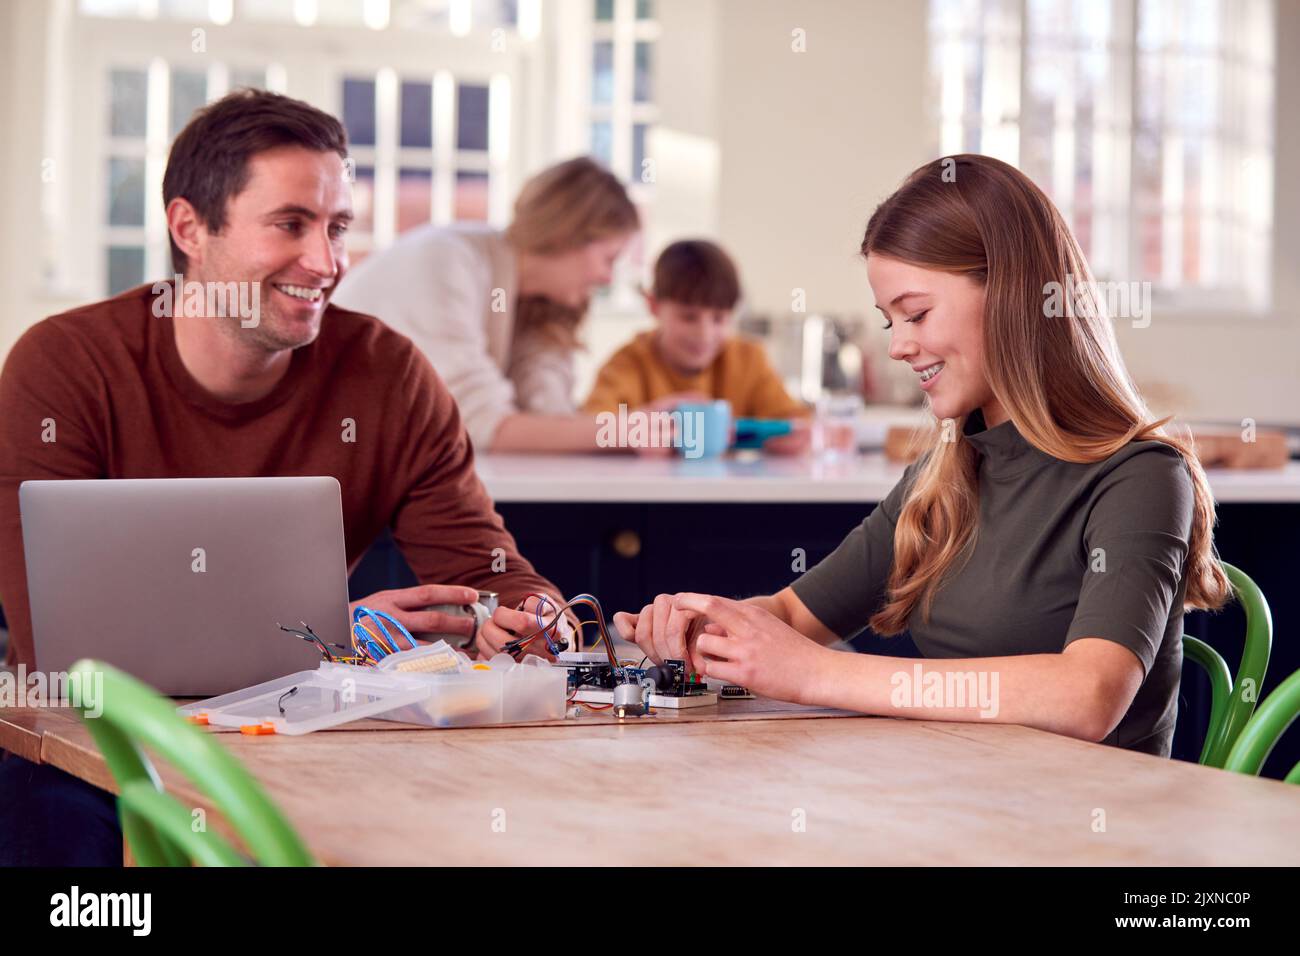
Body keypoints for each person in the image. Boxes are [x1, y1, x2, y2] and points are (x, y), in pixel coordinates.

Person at [0, 89, 561, 864]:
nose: (327, 264)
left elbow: (490, 574)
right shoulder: (64, 367)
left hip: (302, 736)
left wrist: (536, 622)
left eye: (336, 229)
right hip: (95, 742)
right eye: (291, 224)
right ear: (189, 228)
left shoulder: (388, 375)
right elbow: (63, 658)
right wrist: (335, 644)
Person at [613, 154, 1230, 757]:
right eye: (889, 322)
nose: (899, 347)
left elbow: (1088, 695)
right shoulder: (946, 475)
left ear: (1013, 294)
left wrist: (817, 675)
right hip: (962, 811)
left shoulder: (1141, 477)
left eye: (916, 313)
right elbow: (792, 617)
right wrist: (704, 627)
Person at [333, 157, 678, 453]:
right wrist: (628, 429)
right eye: (608, 258)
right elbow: (480, 426)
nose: (606, 279)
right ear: (567, 236)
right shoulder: (449, 260)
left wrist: (639, 428)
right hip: (334, 462)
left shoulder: (533, 300)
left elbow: (549, 419)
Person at [581, 239, 810, 430]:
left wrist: (792, 435)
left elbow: (794, 420)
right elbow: (592, 424)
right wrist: (649, 419)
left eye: (719, 319)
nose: (704, 334)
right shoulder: (629, 363)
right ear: (654, 306)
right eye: (688, 317)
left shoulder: (748, 359)